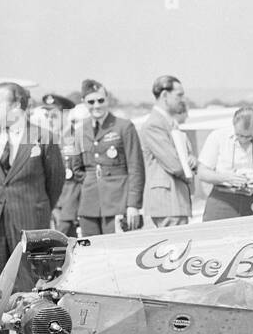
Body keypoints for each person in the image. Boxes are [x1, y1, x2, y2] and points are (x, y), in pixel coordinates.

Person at [0, 83, 64, 334]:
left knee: (31, 280)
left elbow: (55, 181)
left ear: (16, 106)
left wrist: (37, 209)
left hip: (29, 219)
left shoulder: (44, 137)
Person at [74, 78, 144, 235]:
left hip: (118, 203)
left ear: (107, 100)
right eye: (91, 102)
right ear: (84, 102)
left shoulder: (124, 127)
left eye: (100, 100)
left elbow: (136, 168)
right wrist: (90, 182)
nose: (96, 105)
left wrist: (133, 205)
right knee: (92, 253)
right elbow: (76, 168)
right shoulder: (80, 131)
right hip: (89, 206)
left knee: (118, 253)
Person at [196, 106, 253, 220]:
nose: (243, 140)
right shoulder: (217, 137)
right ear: (233, 125)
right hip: (221, 199)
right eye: (240, 135)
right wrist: (226, 178)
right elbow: (202, 172)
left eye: (248, 136)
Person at [140, 75, 196, 228]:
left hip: (175, 201)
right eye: (179, 95)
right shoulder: (154, 125)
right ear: (164, 95)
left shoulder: (170, 123)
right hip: (167, 201)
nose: (182, 99)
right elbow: (175, 164)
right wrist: (188, 168)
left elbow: (184, 158)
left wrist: (191, 160)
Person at [41, 93, 82, 236]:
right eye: (47, 117)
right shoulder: (47, 141)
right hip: (53, 206)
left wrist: (71, 211)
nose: (50, 121)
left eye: (54, 116)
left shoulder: (78, 138)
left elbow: (80, 177)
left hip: (71, 209)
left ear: (66, 115)